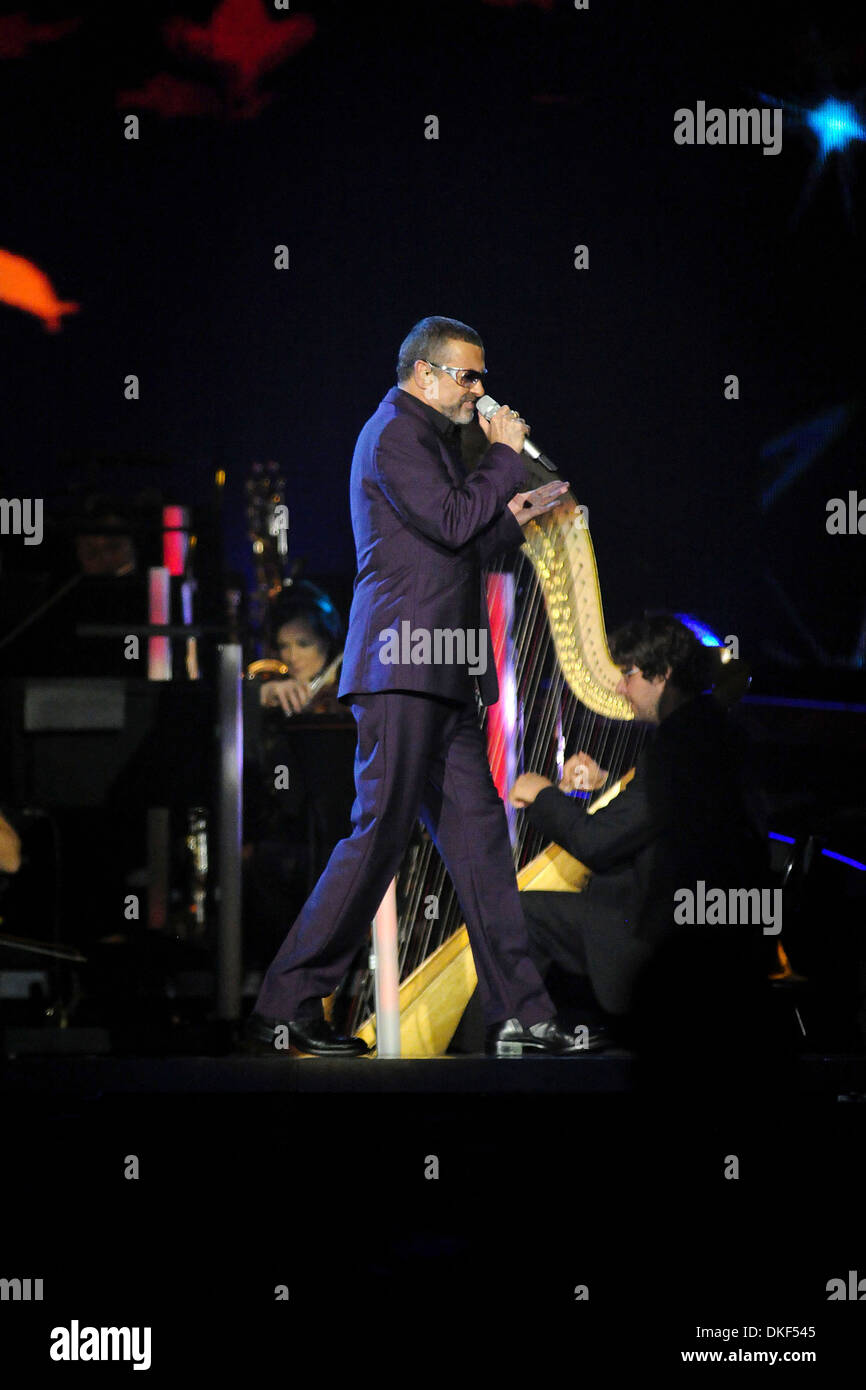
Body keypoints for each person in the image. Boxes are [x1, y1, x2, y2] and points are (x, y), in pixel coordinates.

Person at [244, 314, 583, 1057]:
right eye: (469, 376)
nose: (480, 390)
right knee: (379, 838)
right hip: (402, 668)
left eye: (481, 376)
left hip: (447, 674)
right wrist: (500, 459)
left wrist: (515, 510)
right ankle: (287, 1003)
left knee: (483, 848)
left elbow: (458, 545)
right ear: (424, 374)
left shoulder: (429, 440)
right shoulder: (396, 430)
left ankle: (524, 1013)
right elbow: (455, 521)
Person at [505, 614, 774, 1055]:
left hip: (669, 938)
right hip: (708, 923)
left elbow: (597, 844)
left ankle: (517, 1043)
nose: (619, 687)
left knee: (513, 908)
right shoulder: (704, 730)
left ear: (663, 675)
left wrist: (544, 796)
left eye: (628, 674)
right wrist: (606, 784)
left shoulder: (682, 744)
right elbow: (659, 812)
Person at [243, 583, 354, 968]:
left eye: (303, 644)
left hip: (336, 826)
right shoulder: (275, 687)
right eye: (284, 646)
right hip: (282, 823)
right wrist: (262, 697)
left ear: (326, 642)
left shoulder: (347, 686)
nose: (292, 656)